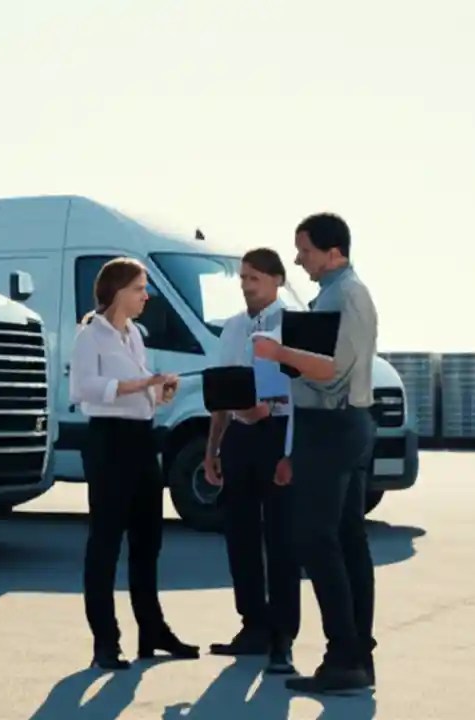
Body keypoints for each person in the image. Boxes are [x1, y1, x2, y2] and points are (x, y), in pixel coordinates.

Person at [251, 213, 379, 694]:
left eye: (303, 250)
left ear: (333, 252)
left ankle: (345, 654)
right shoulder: (333, 294)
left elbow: (332, 370)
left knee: (316, 540)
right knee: (345, 542)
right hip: (331, 427)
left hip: (334, 426)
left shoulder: (347, 295)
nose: (297, 259)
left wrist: (278, 354)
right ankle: (354, 657)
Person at [68, 256, 200, 670]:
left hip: (142, 440)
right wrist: (142, 383)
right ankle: (105, 641)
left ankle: (152, 630)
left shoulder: (135, 335)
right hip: (109, 441)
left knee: (148, 540)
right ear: (118, 291)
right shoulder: (90, 336)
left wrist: (158, 392)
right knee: (105, 541)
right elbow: (83, 389)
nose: (146, 296)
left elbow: (136, 390)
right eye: (140, 288)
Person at [204, 248, 300, 675]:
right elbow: (223, 390)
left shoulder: (293, 325)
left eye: (255, 278)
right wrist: (213, 449)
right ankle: (253, 627)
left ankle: (283, 637)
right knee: (239, 534)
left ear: (277, 280)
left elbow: (300, 397)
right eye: (242, 277)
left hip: (277, 433)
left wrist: (291, 452)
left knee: (281, 538)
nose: (246, 285)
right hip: (241, 435)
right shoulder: (234, 328)